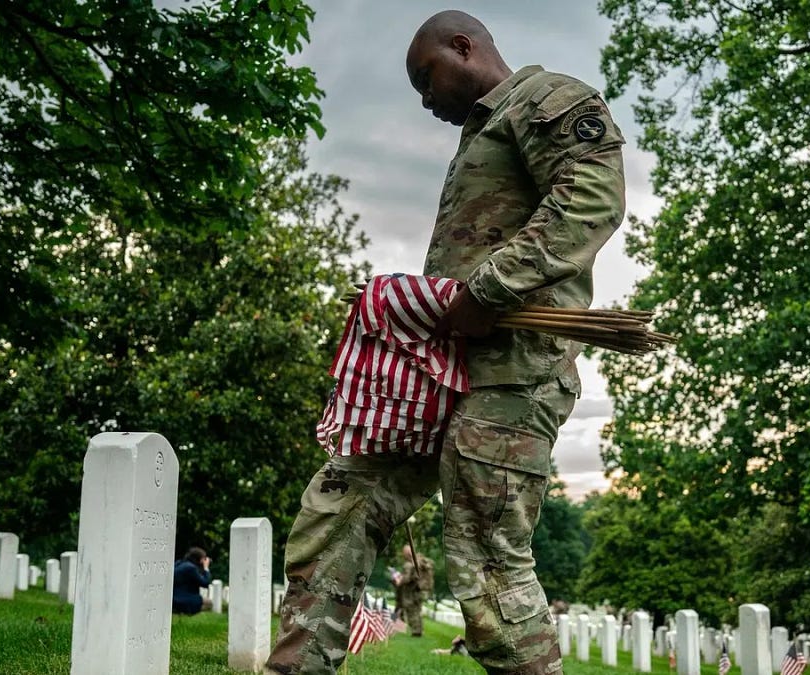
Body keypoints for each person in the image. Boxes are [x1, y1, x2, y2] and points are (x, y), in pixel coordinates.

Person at [265, 9, 624, 674]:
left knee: (484, 554)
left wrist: (485, 291)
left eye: (425, 78)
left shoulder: (547, 99)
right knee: (338, 506)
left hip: (513, 376)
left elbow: (588, 204)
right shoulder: (479, 133)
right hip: (435, 370)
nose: (424, 98)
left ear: (464, 46)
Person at [393, 544, 433, 637]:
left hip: (410, 592)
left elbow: (406, 579)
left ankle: (416, 631)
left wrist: (398, 580)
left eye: (404, 552)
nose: (403, 554)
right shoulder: (418, 562)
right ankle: (415, 630)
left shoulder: (409, 564)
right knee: (414, 610)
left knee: (411, 611)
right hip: (418, 591)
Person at [172, 547, 213, 615]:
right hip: (183, 599)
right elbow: (205, 583)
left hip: (173, 598)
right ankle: (185, 611)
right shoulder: (191, 568)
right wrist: (206, 568)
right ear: (199, 558)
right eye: (204, 558)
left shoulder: (179, 563)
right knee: (209, 603)